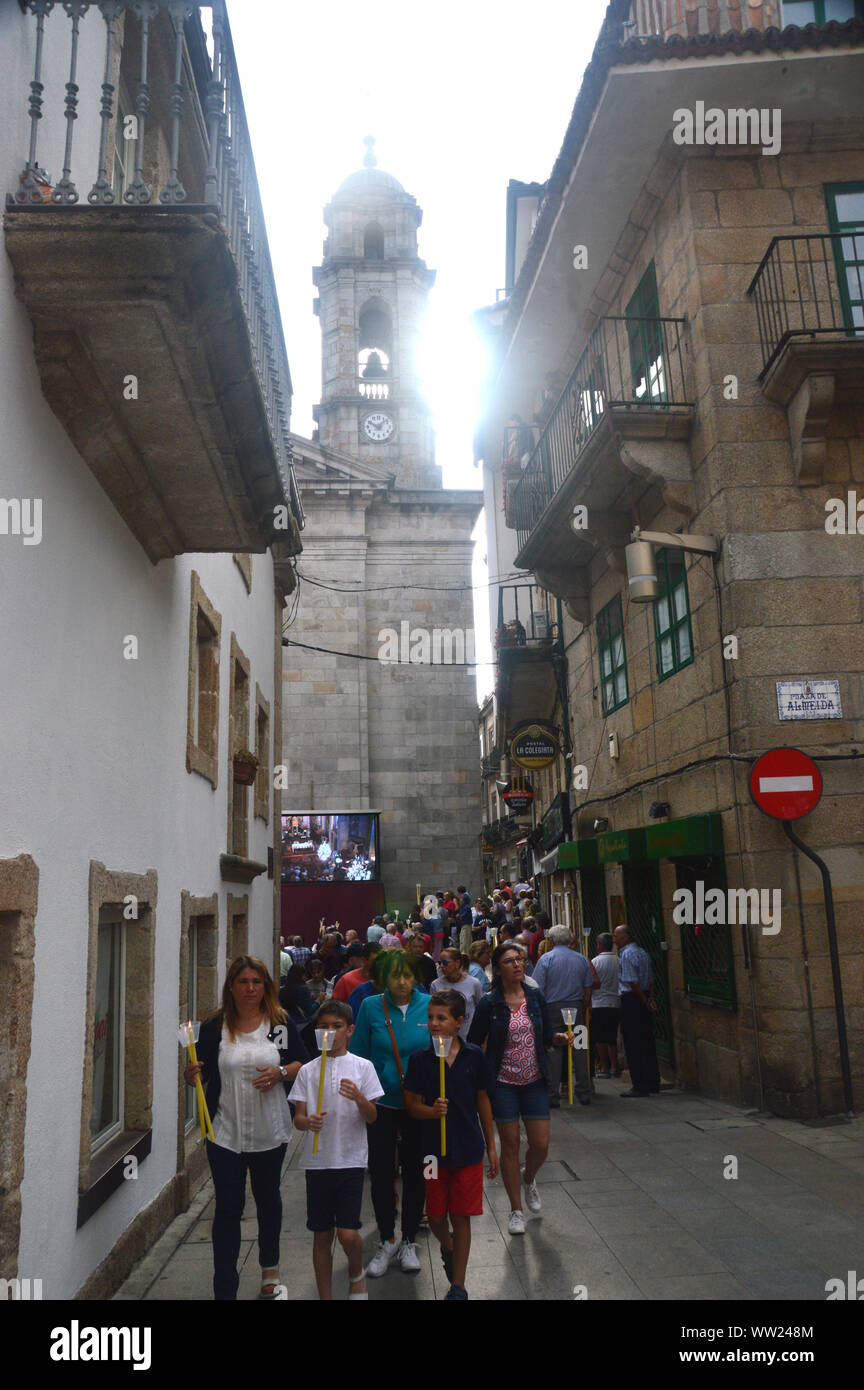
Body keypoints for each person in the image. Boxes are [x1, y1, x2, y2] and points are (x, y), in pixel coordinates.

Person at [184, 955, 308, 1300]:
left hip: (270, 1129)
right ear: (231, 987)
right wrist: (189, 1075)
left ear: (265, 986)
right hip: (225, 1130)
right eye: (243, 982)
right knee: (227, 1206)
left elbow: (303, 1062)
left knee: (268, 1198)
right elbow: (201, 1072)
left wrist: (281, 1073)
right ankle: (224, 1283)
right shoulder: (214, 1026)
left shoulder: (279, 1023)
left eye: (256, 982)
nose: (250, 988)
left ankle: (270, 1268)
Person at [468, 944, 571, 1235]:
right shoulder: (489, 1003)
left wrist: (559, 1038)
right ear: (498, 968)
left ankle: (529, 1178)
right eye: (509, 961)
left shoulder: (535, 997)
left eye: (520, 959)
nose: (517, 965)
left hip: (535, 1080)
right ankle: (515, 1210)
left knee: (540, 1145)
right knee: (510, 1145)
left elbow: (548, 1035)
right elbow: (475, 1043)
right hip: (502, 1083)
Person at [403, 991, 498, 1300]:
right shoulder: (420, 1060)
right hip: (431, 1153)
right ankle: (448, 1246)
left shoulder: (474, 1056)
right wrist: (432, 1111)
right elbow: (412, 1106)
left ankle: (458, 1285)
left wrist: (492, 1146)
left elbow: (483, 1099)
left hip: (468, 1149)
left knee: (461, 1215)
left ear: (458, 1022)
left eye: (441, 1018)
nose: (433, 1023)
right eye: (430, 1018)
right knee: (437, 1215)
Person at [290, 999, 384, 1301]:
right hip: (318, 1163)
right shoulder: (307, 1070)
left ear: (350, 1030)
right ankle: (325, 1295)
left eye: (337, 1027)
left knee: (347, 1233)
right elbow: (299, 1118)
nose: (329, 1032)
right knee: (321, 1234)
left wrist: (359, 1097)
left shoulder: (362, 1067)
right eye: (323, 1027)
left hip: (351, 1160)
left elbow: (372, 1116)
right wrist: (308, 1122)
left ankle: (356, 1271)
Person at [349, 949, 431, 1276]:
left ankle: (409, 1238)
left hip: (419, 1104)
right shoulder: (370, 1007)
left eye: (408, 974)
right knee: (382, 1172)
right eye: (395, 974)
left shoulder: (429, 1005)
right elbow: (359, 1057)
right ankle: (386, 1237)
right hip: (381, 1103)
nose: (402, 981)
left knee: (417, 1171)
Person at [532, 925, 597, 1108]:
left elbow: (537, 988)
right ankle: (584, 1091)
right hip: (576, 1007)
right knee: (580, 1048)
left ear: (551, 941)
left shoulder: (546, 959)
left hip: (553, 1008)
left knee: (554, 1051)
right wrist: (583, 1004)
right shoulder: (581, 959)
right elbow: (588, 987)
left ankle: (552, 1094)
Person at [614, 924, 660, 1097]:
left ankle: (639, 1085)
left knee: (633, 1042)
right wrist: (650, 998)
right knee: (647, 1041)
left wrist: (643, 999)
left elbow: (632, 982)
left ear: (626, 937)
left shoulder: (626, 954)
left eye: (617, 936)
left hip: (632, 1000)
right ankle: (652, 1081)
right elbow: (651, 979)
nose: (615, 940)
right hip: (644, 996)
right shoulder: (642, 952)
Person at [431, 948, 483, 1038]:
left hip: (469, 1037)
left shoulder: (474, 983)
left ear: (457, 963)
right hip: (444, 1038)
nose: (442, 966)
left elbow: (480, 1011)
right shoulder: (435, 985)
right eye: (440, 963)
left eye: (445, 963)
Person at [591, 933, 621, 1078]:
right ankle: (615, 1066)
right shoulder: (618, 960)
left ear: (600, 945)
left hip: (598, 1003)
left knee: (600, 1038)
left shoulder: (595, 962)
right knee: (612, 1037)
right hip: (615, 1002)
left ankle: (605, 1067)